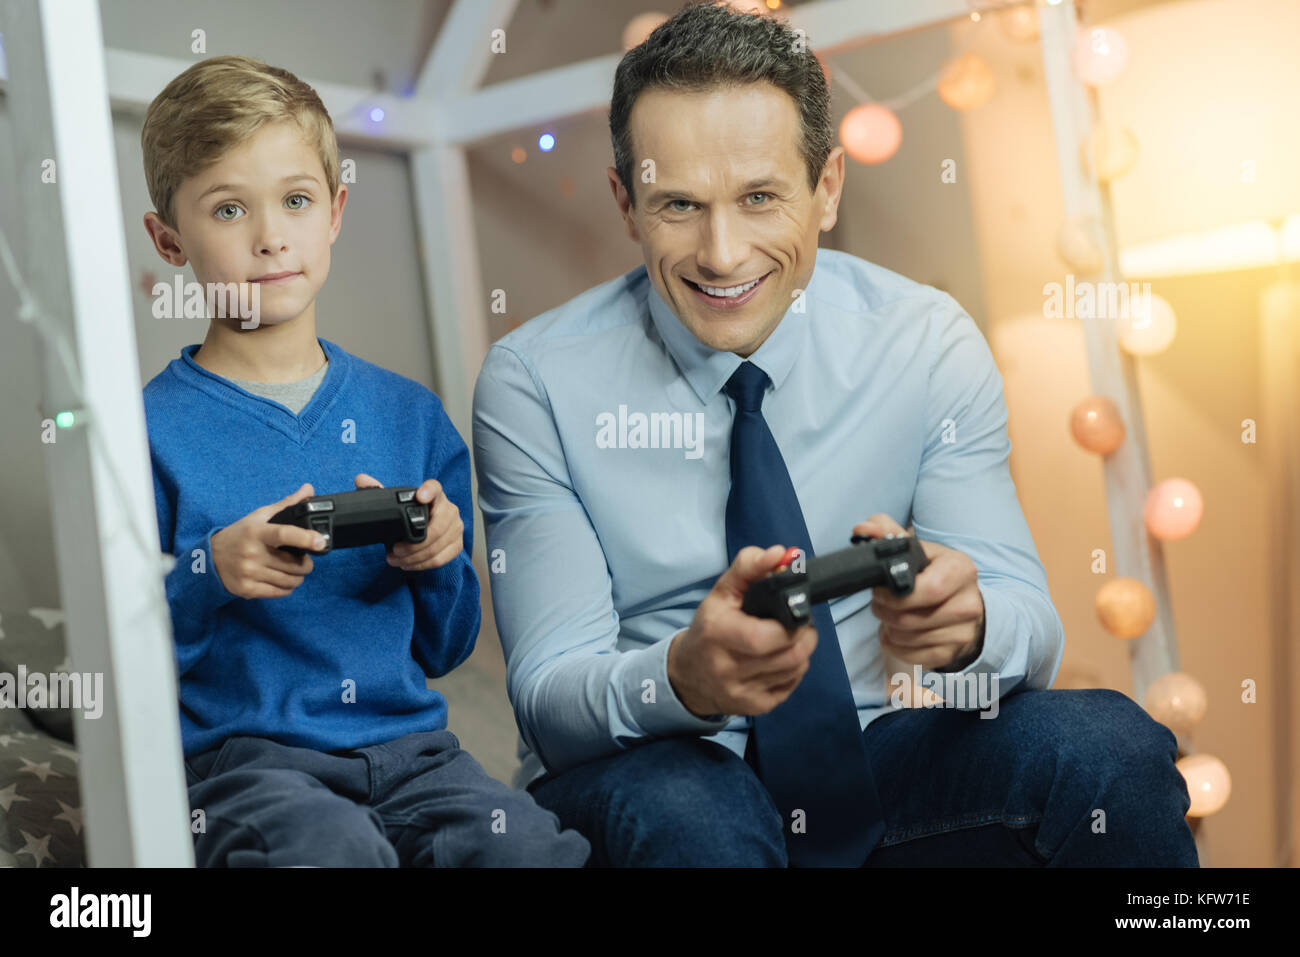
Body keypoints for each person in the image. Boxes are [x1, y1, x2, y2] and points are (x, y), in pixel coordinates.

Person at [471, 2, 1197, 867]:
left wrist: (969, 632)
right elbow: (550, 696)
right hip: (658, 759)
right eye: (678, 206)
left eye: (760, 197)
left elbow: (1029, 626)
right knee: (694, 813)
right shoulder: (534, 380)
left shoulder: (924, 340)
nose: (722, 253)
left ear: (828, 187)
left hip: (883, 742)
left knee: (1111, 747)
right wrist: (683, 675)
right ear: (625, 202)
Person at [139, 55, 588, 867]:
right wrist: (212, 568)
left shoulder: (407, 414)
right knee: (330, 849)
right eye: (229, 208)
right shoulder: (148, 430)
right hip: (248, 769)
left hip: (416, 758)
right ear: (168, 237)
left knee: (529, 847)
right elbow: (131, 656)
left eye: (297, 201)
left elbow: (447, 647)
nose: (271, 236)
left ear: (336, 211)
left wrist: (436, 558)